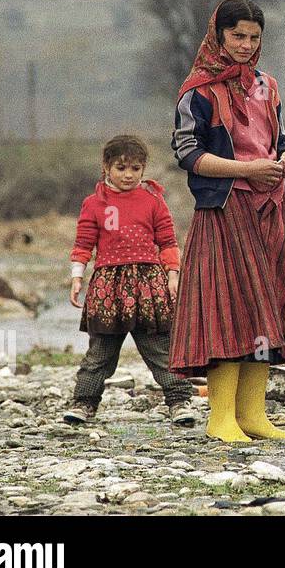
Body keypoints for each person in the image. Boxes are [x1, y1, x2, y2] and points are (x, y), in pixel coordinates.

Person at [168, 0, 285, 442]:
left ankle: (254, 415)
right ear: (218, 34)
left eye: (254, 37)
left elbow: (279, 138)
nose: (245, 44)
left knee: (265, 307)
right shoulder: (197, 91)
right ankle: (221, 420)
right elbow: (188, 154)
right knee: (228, 311)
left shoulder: (268, 86)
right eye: (237, 35)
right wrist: (246, 170)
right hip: (224, 208)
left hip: (271, 207)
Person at [64, 135, 197, 425]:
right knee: (100, 350)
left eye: (135, 169)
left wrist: (173, 275)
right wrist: (77, 277)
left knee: (160, 348)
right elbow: (84, 244)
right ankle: (84, 403)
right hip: (107, 287)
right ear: (106, 167)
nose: (128, 175)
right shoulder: (93, 204)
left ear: (143, 169)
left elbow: (168, 242)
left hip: (149, 285)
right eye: (121, 168)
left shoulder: (153, 200)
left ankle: (179, 402)